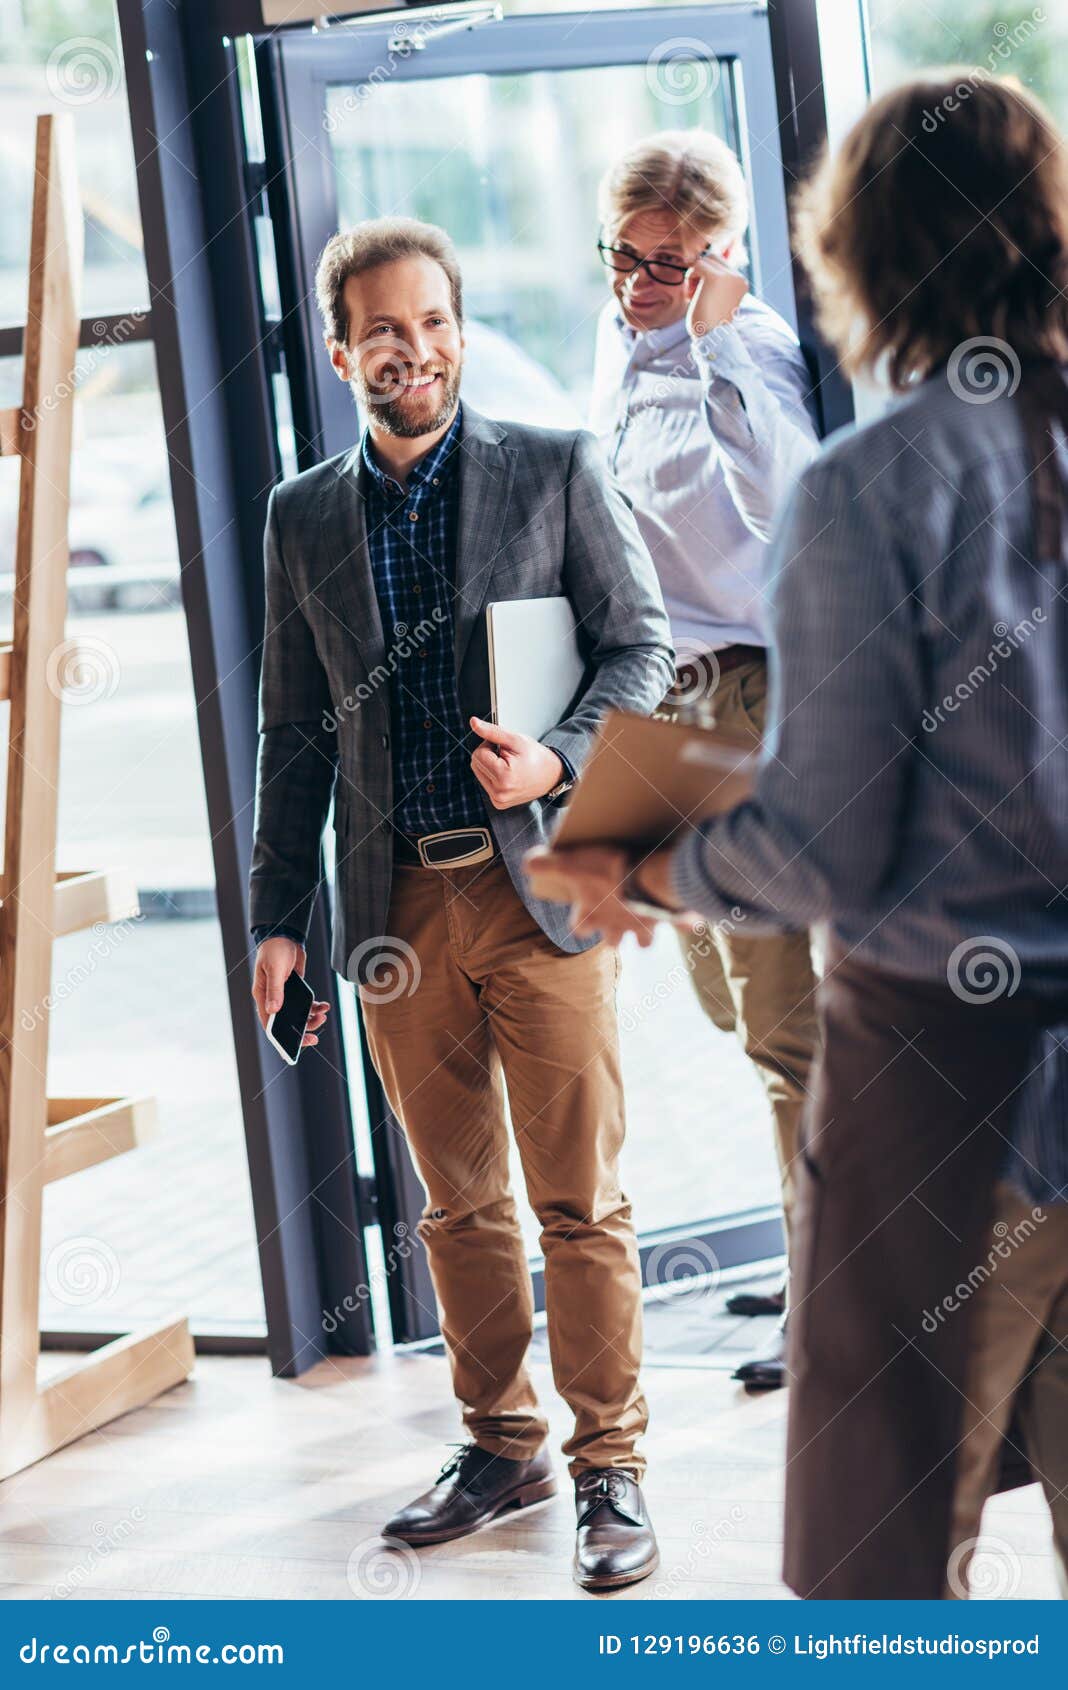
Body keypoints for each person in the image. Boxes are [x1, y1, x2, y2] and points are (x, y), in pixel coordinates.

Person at [527, 73, 1068, 1598]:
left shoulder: (869, 485)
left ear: (849, 251)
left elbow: (824, 852)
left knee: (876, 1568)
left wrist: (640, 866)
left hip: (944, 1102)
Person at [246, 216, 675, 1592]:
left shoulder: (551, 468)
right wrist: (275, 916)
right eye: (380, 328)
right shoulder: (302, 513)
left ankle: (612, 1462)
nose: (409, 348)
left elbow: (642, 646)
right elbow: (294, 730)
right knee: (456, 1205)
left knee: (579, 1202)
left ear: (462, 328)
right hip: (391, 911)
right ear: (339, 350)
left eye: (430, 321)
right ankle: (503, 1442)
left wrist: (562, 757)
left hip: (538, 886)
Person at [587, 130, 823, 1388]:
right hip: (656, 695)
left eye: (670, 265)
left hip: (748, 690)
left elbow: (791, 506)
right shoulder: (619, 344)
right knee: (725, 1002)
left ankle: (833, 1292)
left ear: (721, 257)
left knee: (783, 1021)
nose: (639, 282)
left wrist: (719, 336)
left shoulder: (760, 348)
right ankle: (816, 1248)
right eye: (625, 257)